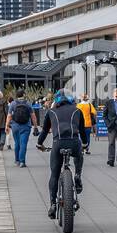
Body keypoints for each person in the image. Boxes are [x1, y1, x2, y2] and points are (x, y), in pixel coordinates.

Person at [36, 90, 84, 219]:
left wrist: (39, 143)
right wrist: (85, 144)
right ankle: (78, 175)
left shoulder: (51, 112)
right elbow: (83, 131)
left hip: (58, 144)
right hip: (74, 143)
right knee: (79, 154)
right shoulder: (77, 110)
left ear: (56, 100)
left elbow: (45, 130)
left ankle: (52, 204)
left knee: (54, 174)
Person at [7, 89, 37, 168]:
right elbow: (33, 116)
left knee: (17, 143)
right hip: (25, 126)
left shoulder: (13, 103)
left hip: (15, 126)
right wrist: (35, 127)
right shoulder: (28, 103)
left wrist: (7, 126)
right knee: (23, 144)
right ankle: (22, 161)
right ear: (23, 95)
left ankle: (17, 160)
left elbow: (9, 116)